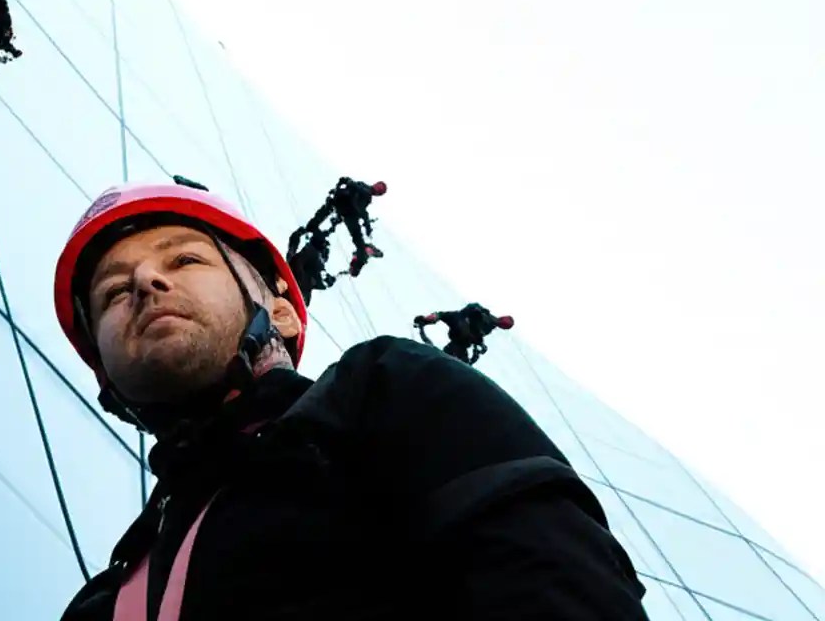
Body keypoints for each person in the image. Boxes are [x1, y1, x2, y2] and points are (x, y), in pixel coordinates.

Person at [52, 181, 647, 620]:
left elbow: (556, 579)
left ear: (281, 309)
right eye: (111, 294)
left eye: (185, 259)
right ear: (106, 380)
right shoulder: (110, 595)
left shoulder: (379, 393)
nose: (145, 284)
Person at [305, 177, 387, 277]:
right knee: (358, 241)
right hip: (346, 211)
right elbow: (358, 205)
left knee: (314, 224)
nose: (377, 189)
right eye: (379, 188)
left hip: (340, 206)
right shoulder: (364, 191)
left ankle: (358, 260)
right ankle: (359, 259)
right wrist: (365, 221)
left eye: (380, 189)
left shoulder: (363, 189)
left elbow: (345, 183)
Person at [414, 302, 516, 365]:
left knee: (458, 353)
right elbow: (443, 315)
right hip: (460, 330)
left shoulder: (489, 324)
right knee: (443, 316)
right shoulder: (484, 317)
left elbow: (477, 336)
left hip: (460, 338)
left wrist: (480, 344)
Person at [285, 225, 334, 305]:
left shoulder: (313, 256)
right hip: (293, 289)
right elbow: (292, 253)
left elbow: (292, 253)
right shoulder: (313, 257)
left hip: (294, 289)